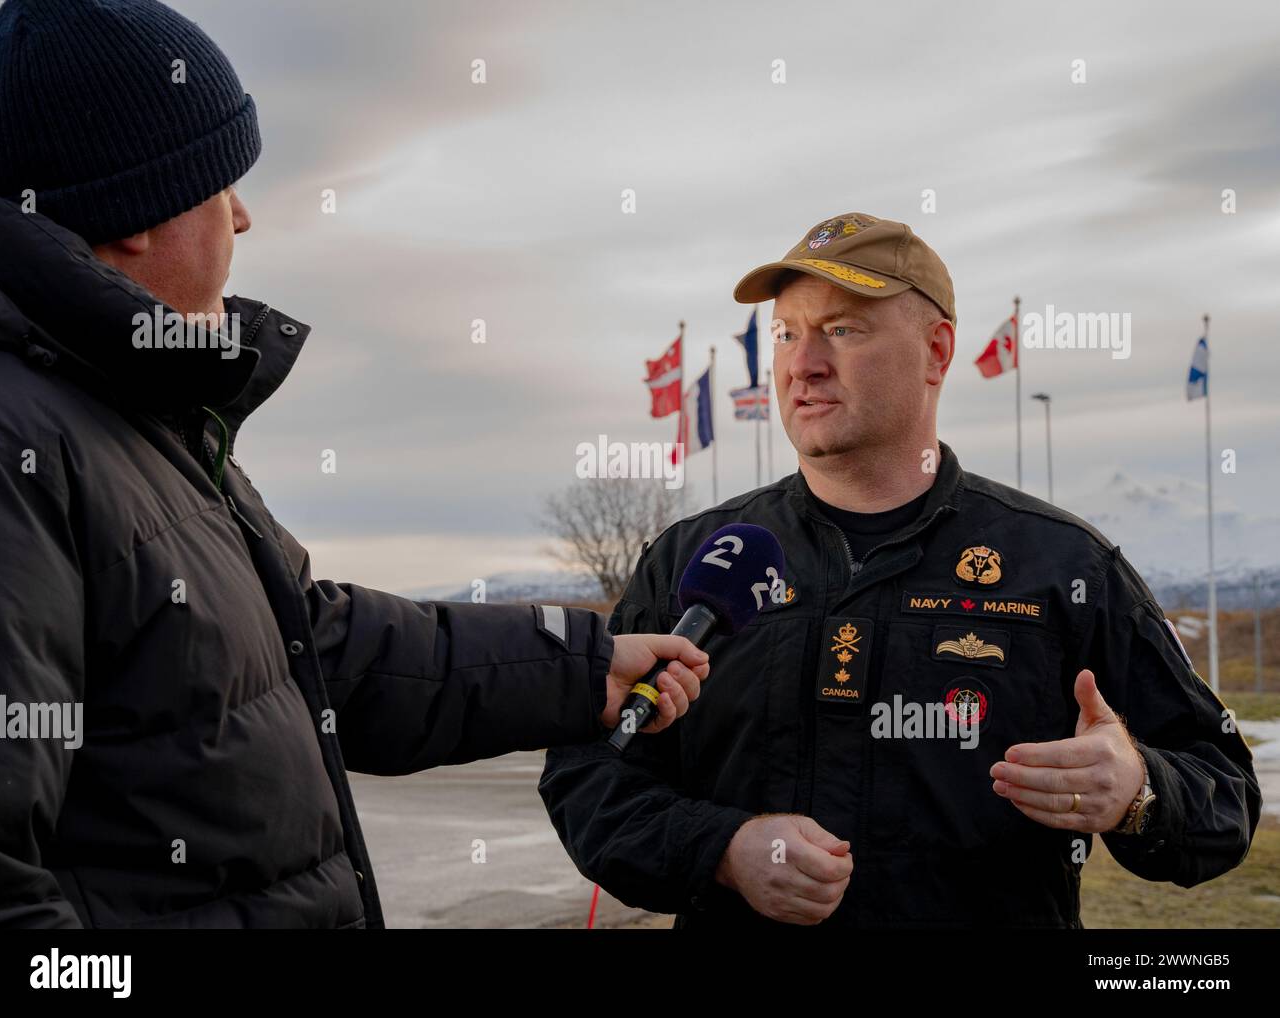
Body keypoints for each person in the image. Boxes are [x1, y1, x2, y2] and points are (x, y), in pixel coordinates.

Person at [0, 0, 707, 929]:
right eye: (218, 184)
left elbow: (313, 653)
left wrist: (583, 668)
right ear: (136, 212)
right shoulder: (12, 450)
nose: (243, 215)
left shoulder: (132, 419)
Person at [540, 211, 1261, 928]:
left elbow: (1224, 796)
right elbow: (588, 773)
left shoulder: (1064, 566)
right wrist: (721, 848)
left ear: (936, 351)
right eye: (787, 333)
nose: (803, 363)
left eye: (842, 330)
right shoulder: (696, 559)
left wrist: (1139, 789)